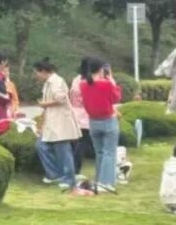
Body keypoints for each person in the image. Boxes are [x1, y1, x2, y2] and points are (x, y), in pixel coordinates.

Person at [79, 57, 122, 193]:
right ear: (101, 69)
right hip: (108, 120)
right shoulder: (106, 84)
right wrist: (112, 80)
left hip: (93, 121)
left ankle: (99, 179)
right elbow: (116, 97)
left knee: (99, 152)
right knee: (109, 152)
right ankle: (106, 182)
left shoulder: (82, 84)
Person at [34, 58, 80, 190]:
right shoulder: (48, 83)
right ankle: (54, 174)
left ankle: (69, 179)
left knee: (63, 150)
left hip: (60, 121)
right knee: (41, 145)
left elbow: (60, 99)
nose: (36, 76)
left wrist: (45, 104)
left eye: (37, 73)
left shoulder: (57, 81)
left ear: (43, 71)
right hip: (52, 121)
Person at [67, 71, 92, 176]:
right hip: (85, 116)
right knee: (82, 144)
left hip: (74, 114)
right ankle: (75, 169)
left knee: (73, 144)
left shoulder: (75, 80)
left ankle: (69, 167)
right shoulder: (88, 82)